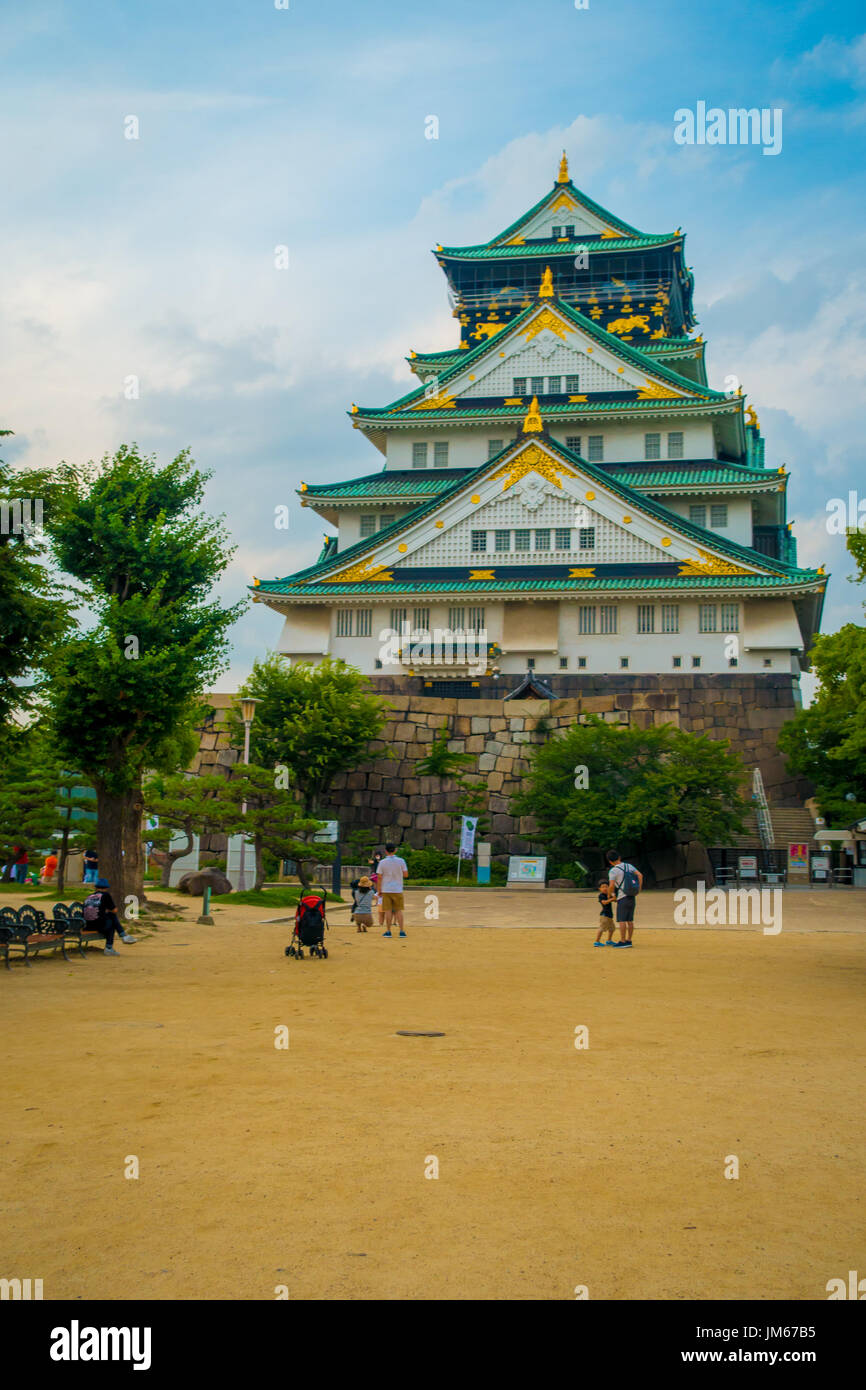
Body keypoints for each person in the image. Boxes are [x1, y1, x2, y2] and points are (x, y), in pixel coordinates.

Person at [85, 876, 136, 956]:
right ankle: (118, 940)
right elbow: (115, 910)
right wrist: (108, 910)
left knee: (110, 920)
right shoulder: (105, 895)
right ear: (106, 888)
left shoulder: (89, 896)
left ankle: (122, 936)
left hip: (87, 925)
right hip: (98, 925)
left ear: (96, 887)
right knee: (112, 920)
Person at [606, 850, 643, 948]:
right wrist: (639, 889)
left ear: (610, 861)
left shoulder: (613, 871)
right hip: (632, 896)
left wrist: (610, 894)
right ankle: (629, 940)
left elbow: (611, 885)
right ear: (619, 857)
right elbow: (640, 875)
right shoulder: (628, 866)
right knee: (630, 920)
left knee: (622, 920)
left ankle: (623, 941)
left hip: (622, 896)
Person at [379, 842, 408, 938]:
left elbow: (379, 877)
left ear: (386, 851)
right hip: (398, 889)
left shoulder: (382, 862)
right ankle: (402, 931)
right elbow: (405, 874)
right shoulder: (401, 861)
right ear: (395, 850)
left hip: (386, 889)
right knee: (398, 910)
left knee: (388, 911)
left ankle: (388, 931)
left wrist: (379, 890)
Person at [594, 879, 615, 946]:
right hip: (604, 915)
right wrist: (611, 899)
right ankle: (597, 941)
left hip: (609, 915)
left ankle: (609, 940)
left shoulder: (609, 894)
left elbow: (615, 899)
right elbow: (604, 902)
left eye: (606, 886)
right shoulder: (601, 895)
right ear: (599, 889)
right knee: (602, 928)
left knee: (612, 928)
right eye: (603, 887)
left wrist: (613, 895)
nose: (605, 888)